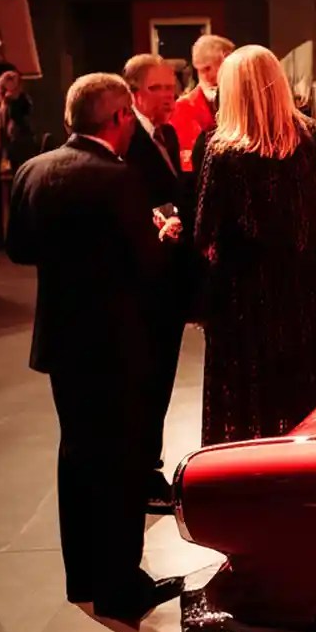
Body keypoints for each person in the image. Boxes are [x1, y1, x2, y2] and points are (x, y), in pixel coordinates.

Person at [6, 73, 183, 621]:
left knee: (77, 457)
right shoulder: (117, 177)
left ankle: (81, 575)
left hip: (62, 341)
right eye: (129, 115)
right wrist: (162, 233)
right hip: (116, 342)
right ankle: (120, 586)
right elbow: (147, 267)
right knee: (123, 463)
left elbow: (19, 249)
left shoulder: (36, 169)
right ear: (117, 119)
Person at [194, 45, 316, 446]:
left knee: (250, 400)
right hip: (308, 286)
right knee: (306, 388)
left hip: (247, 296)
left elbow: (206, 230)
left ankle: (251, 477)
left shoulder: (223, 150)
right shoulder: (310, 136)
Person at [121, 53, 192, 512]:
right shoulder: (128, 143)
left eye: (172, 87)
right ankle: (142, 472)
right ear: (133, 95)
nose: (168, 96)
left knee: (161, 380)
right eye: (157, 89)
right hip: (144, 285)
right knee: (145, 383)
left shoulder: (165, 133)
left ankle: (150, 465)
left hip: (168, 278)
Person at [172, 34, 234, 172]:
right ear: (201, 68)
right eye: (205, 69)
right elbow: (186, 161)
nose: (233, 71)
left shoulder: (240, 102)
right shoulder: (183, 107)